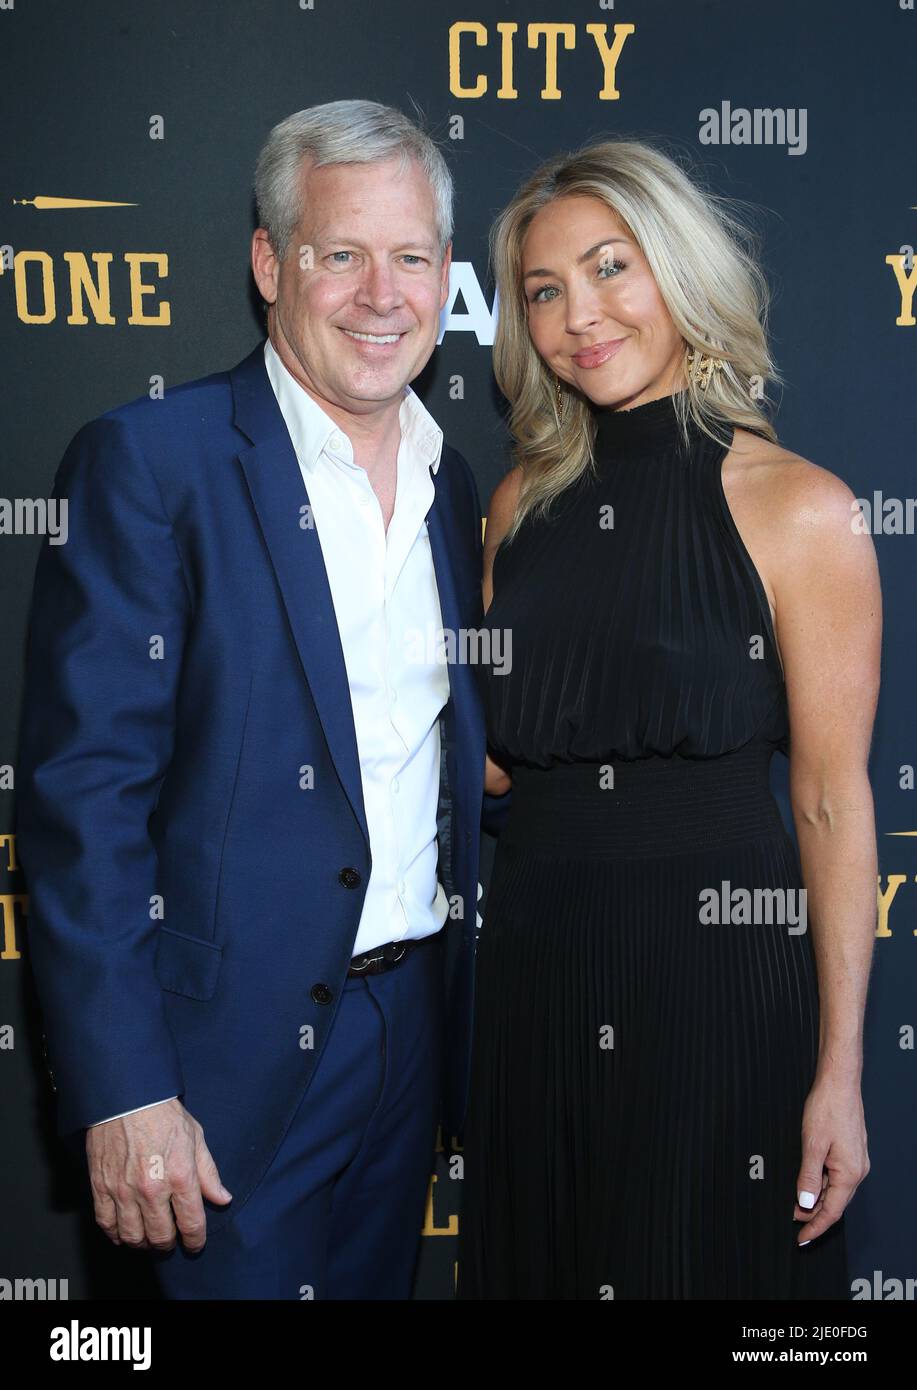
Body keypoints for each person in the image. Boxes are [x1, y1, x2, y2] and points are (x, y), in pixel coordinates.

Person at [15, 99, 494, 1300]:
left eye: (411, 258)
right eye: (340, 254)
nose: (380, 294)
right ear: (270, 262)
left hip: (409, 1037)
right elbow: (84, 803)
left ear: (446, 276)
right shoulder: (153, 463)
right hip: (216, 1065)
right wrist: (125, 1086)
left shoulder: (456, 483)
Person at [456, 138, 879, 1299]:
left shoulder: (800, 508)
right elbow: (494, 766)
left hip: (714, 985)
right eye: (542, 291)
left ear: (679, 273)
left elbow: (833, 802)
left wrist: (838, 1070)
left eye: (609, 268)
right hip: (536, 977)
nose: (576, 315)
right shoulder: (515, 507)